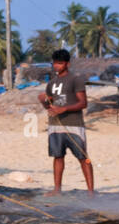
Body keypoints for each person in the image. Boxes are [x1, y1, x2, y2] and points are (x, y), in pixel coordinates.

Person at [37, 49, 94, 194]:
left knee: (83, 157)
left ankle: (91, 191)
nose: (57, 66)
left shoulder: (76, 80)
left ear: (67, 64)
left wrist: (65, 109)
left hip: (74, 125)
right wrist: (43, 101)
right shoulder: (51, 83)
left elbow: (83, 103)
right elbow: (50, 106)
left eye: (60, 63)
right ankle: (57, 189)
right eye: (55, 63)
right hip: (55, 125)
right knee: (57, 157)